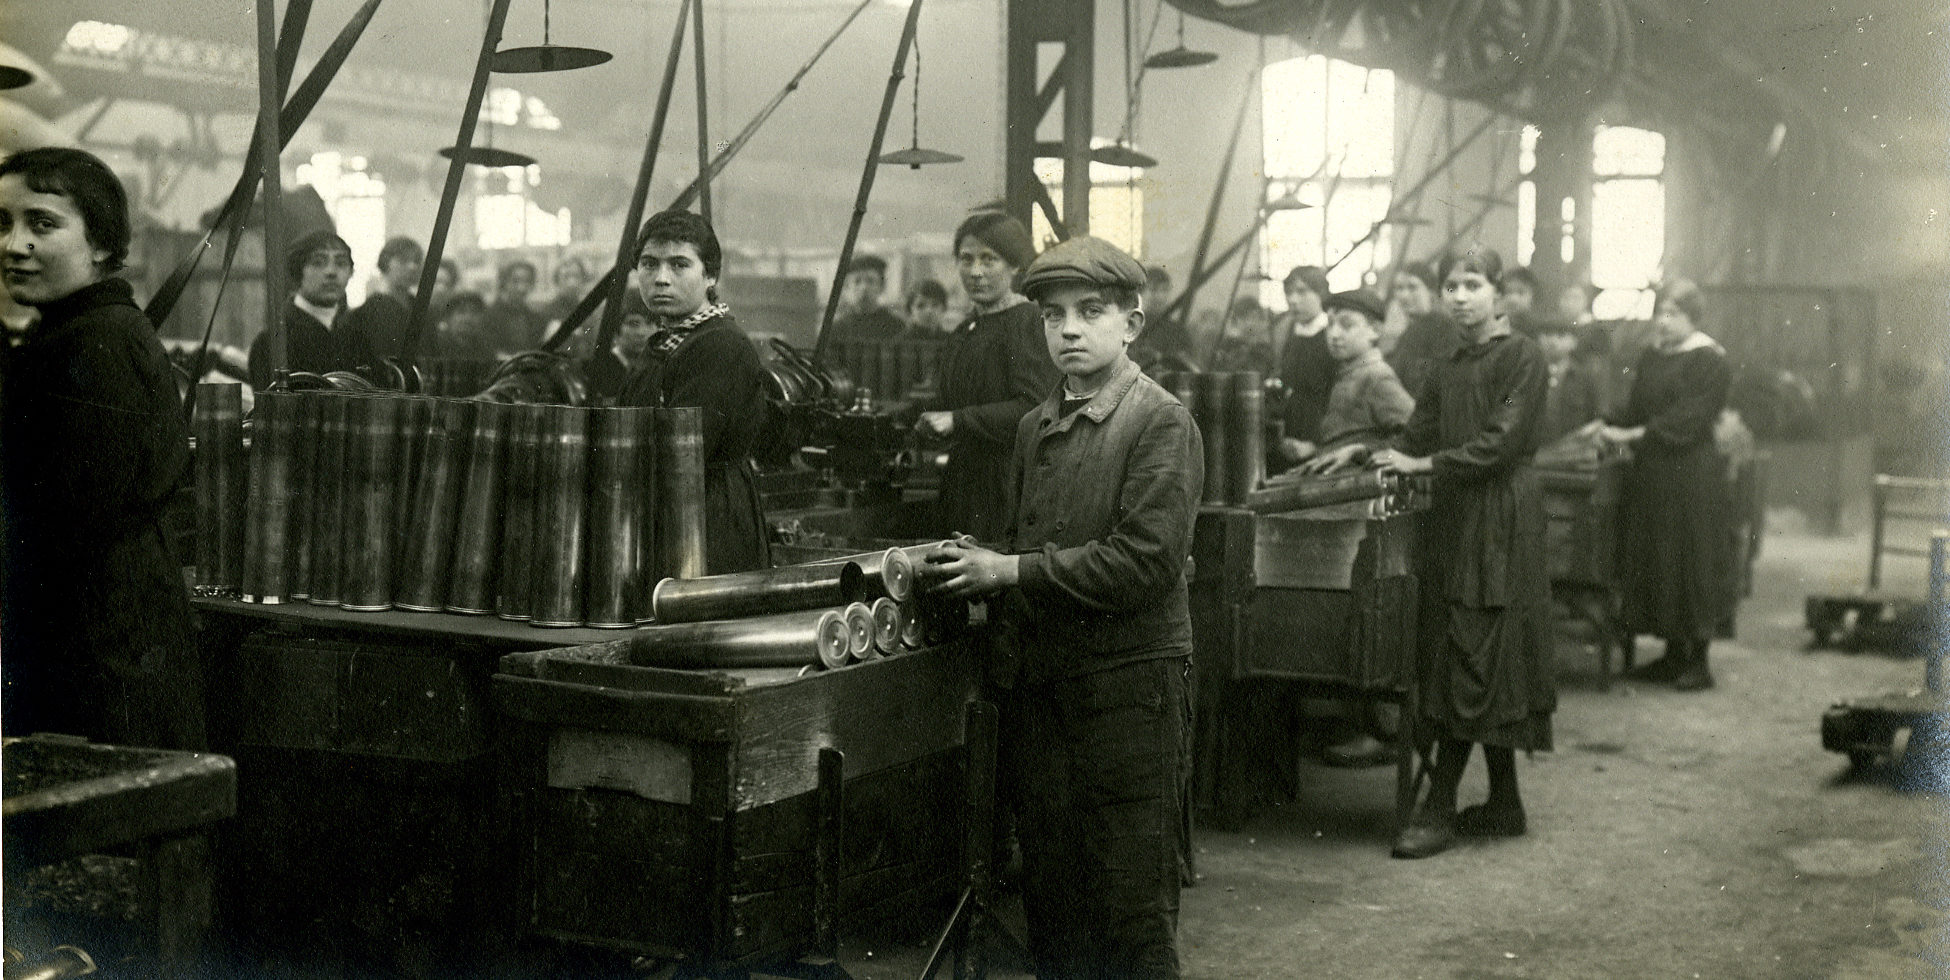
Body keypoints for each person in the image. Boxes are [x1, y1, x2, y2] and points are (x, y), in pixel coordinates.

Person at [919, 234, 1202, 980]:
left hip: (1127, 692)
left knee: (1132, 908)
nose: (1069, 329)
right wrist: (974, 567)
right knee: (1054, 901)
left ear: (1131, 324)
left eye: (1091, 312)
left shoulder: (1159, 421)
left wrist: (1006, 569)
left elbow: (1143, 562)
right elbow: (1026, 543)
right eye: (1052, 315)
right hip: (1044, 690)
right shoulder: (1032, 425)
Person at [0, 146, 205, 748]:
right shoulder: (76, 333)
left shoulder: (96, 347)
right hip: (98, 656)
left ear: (101, 244)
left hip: (100, 677)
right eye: (2, 224)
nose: (15, 245)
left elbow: (62, 529)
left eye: (43, 223)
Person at [1371, 246, 1554, 860]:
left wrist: (1421, 463)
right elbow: (1416, 431)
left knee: (1477, 644)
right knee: (1470, 642)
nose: (1457, 296)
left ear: (1499, 295)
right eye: (1450, 285)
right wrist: (1373, 452)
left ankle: (1441, 803)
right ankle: (1505, 802)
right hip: (1455, 516)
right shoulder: (1447, 362)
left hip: (1500, 513)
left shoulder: (1522, 358)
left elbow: (1500, 443)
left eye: (1472, 284)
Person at [1581, 279, 1732, 691]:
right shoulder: (1652, 356)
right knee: (1662, 562)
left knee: (1691, 561)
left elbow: (1691, 418)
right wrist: (1611, 423)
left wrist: (1632, 437)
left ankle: (1698, 661)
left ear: (1693, 319)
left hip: (1690, 475)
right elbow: (1637, 409)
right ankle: (1672, 655)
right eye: (1660, 313)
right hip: (1653, 476)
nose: (1663, 323)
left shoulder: (1709, 360)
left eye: (1673, 314)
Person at [617, 209, 772, 574]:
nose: (661, 279)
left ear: (711, 275)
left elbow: (685, 452)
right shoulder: (667, 341)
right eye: (649, 264)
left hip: (707, 521)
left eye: (679, 265)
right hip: (668, 511)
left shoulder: (719, 346)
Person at [914, 211, 1057, 542]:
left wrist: (958, 421)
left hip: (1007, 486)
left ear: (1015, 266)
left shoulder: (1027, 322)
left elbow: (1035, 408)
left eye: (988, 259)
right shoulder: (965, 330)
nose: (975, 271)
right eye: (966, 259)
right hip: (963, 484)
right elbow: (951, 400)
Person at [1290, 288, 1416, 472]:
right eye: (1330, 324)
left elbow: (1417, 436)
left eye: (1346, 325)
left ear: (1374, 330)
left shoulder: (1376, 376)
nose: (1334, 334)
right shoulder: (1347, 374)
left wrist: (1362, 451)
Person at [247, 229, 374, 389]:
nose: (331, 272)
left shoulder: (357, 336)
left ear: (350, 273)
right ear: (298, 271)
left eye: (341, 263)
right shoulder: (272, 342)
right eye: (318, 262)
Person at [1272, 265, 1335, 468]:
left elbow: (1338, 397)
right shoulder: (1292, 333)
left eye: (1301, 291)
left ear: (1320, 293)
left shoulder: (1332, 336)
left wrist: (1316, 444)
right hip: (1293, 432)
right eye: (1289, 292)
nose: (1293, 299)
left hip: (1323, 433)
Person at [1384, 260, 1460, 399]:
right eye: (1399, 288)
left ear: (1431, 291)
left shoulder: (1444, 328)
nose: (1404, 295)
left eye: (1412, 287)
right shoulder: (1408, 330)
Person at [341, 235, 423, 361]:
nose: (412, 267)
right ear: (385, 262)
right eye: (403, 260)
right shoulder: (367, 312)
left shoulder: (422, 310)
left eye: (417, 261)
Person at [1536, 316, 1601, 446]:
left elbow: (1596, 417)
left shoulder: (1584, 377)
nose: (1553, 341)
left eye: (1561, 335)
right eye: (1547, 334)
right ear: (1538, 339)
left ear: (1574, 342)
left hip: (1572, 452)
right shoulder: (1527, 374)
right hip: (1535, 452)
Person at [583, 293, 655, 404]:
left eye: (649, 323)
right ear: (616, 330)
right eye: (633, 324)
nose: (642, 332)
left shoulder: (657, 369)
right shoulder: (596, 368)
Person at [1129, 264, 1196, 374]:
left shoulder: (1176, 331)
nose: (1160, 296)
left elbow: (1187, 368)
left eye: (1164, 290)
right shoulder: (1124, 325)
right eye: (1153, 290)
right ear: (1139, 292)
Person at [828, 254, 907, 344]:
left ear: (882, 286)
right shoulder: (837, 328)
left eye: (870, 281)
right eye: (857, 281)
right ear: (847, 287)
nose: (864, 287)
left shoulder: (896, 326)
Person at [483, 259, 546, 356]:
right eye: (515, 281)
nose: (522, 288)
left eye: (527, 281)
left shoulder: (534, 317)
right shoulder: (489, 315)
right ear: (504, 282)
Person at [1206, 297, 1275, 376]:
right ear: (1239, 319)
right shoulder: (1227, 345)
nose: (1256, 322)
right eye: (1252, 317)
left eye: (1258, 318)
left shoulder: (1262, 348)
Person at [1500, 265, 1540, 338]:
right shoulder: (1498, 324)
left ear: (1533, 296)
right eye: (1508, 292)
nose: (1513, 299)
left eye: (1521, 292)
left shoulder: (1537, 326)